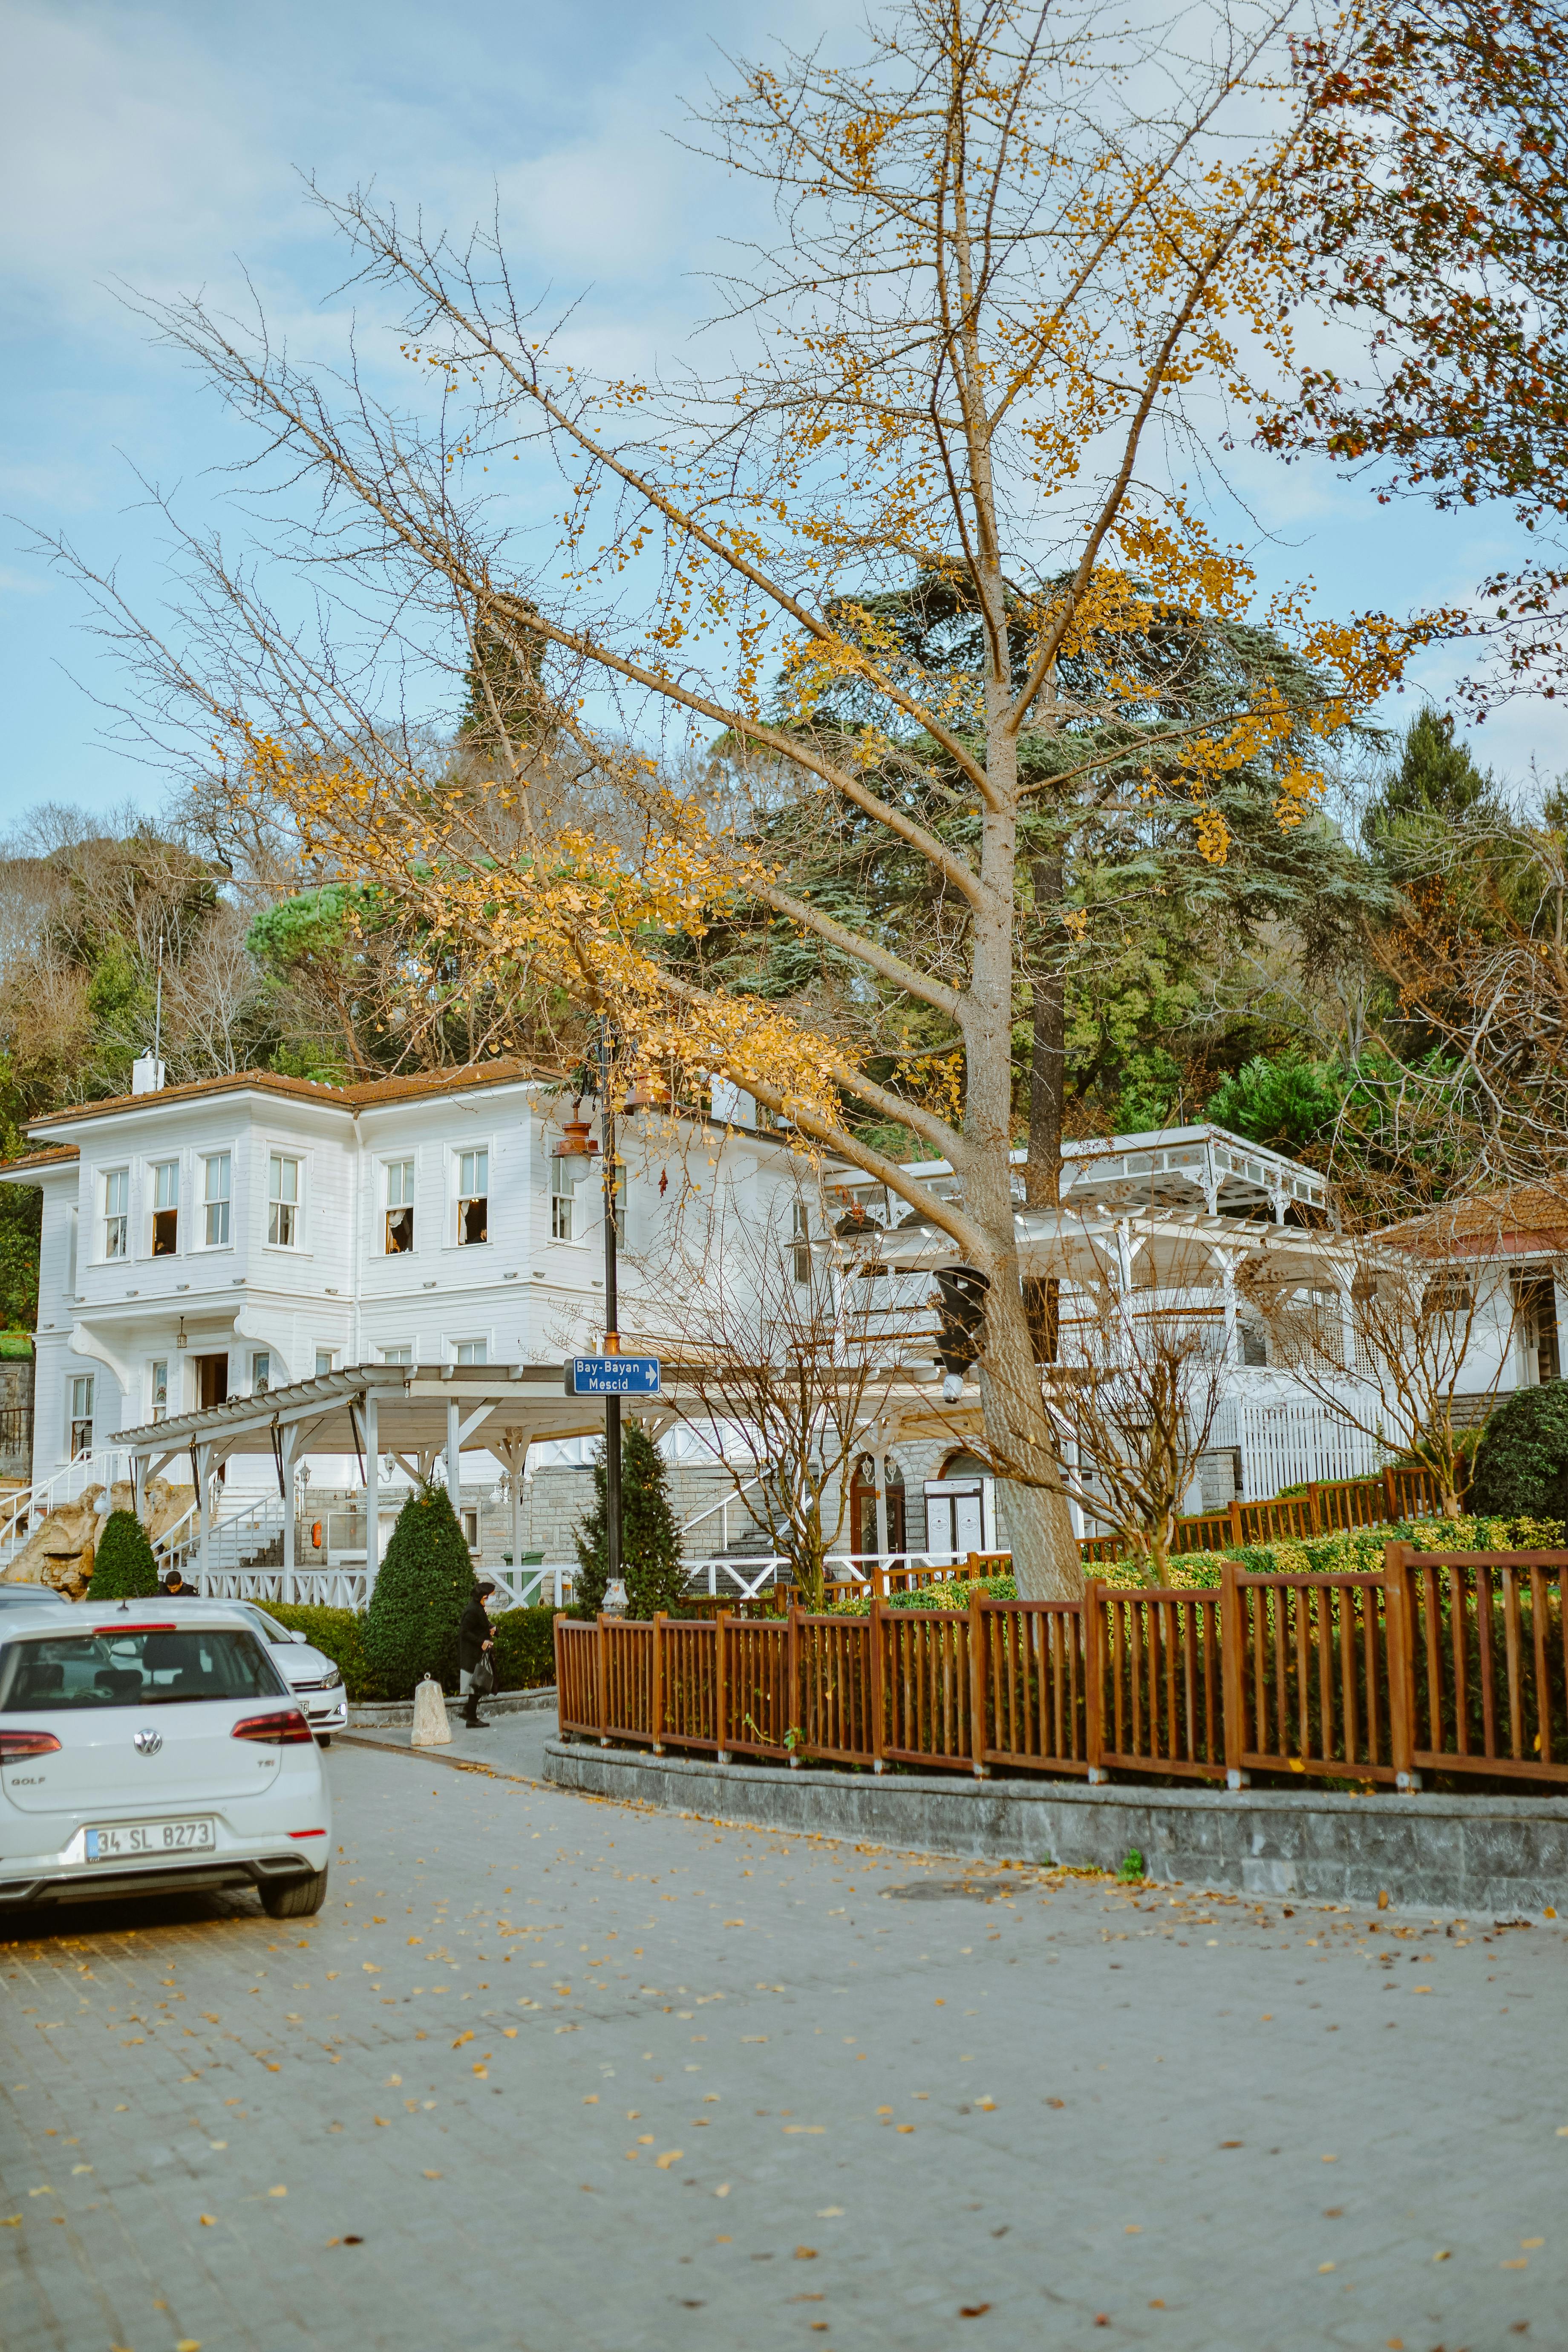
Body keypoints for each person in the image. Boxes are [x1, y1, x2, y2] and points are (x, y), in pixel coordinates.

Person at [458, 1578, 496, 1728]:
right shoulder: (473, 1610)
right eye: (489, 1596)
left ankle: (469, 1713)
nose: (490, 1599)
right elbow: (464, 1632)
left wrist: (493, 1630)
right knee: (477, 1685)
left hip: (476, 1653)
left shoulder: (478, 1608)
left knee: (479, 1684)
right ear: (484, 1596)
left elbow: (483, 1625)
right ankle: (471, 1718)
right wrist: (482, 1642)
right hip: (472, 1653)